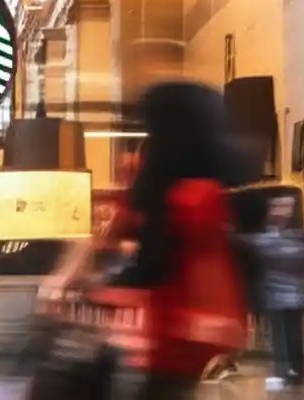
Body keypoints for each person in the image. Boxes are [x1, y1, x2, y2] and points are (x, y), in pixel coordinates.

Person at [102, 82, 248, 399]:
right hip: (180, 337)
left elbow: (153, 261)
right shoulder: (201, 191)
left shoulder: (180, 196)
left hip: (174, 337)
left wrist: (104, 285)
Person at [249, 196, 304, 388]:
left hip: (294, 296)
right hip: (274, 296)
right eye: (278, 207)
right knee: (279, 337)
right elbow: (257, 247)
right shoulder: (270, 236)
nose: (283, 212)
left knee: (294, 336)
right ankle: (282, 372)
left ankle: (296, 373)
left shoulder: (301, 236)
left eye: (287, 207)